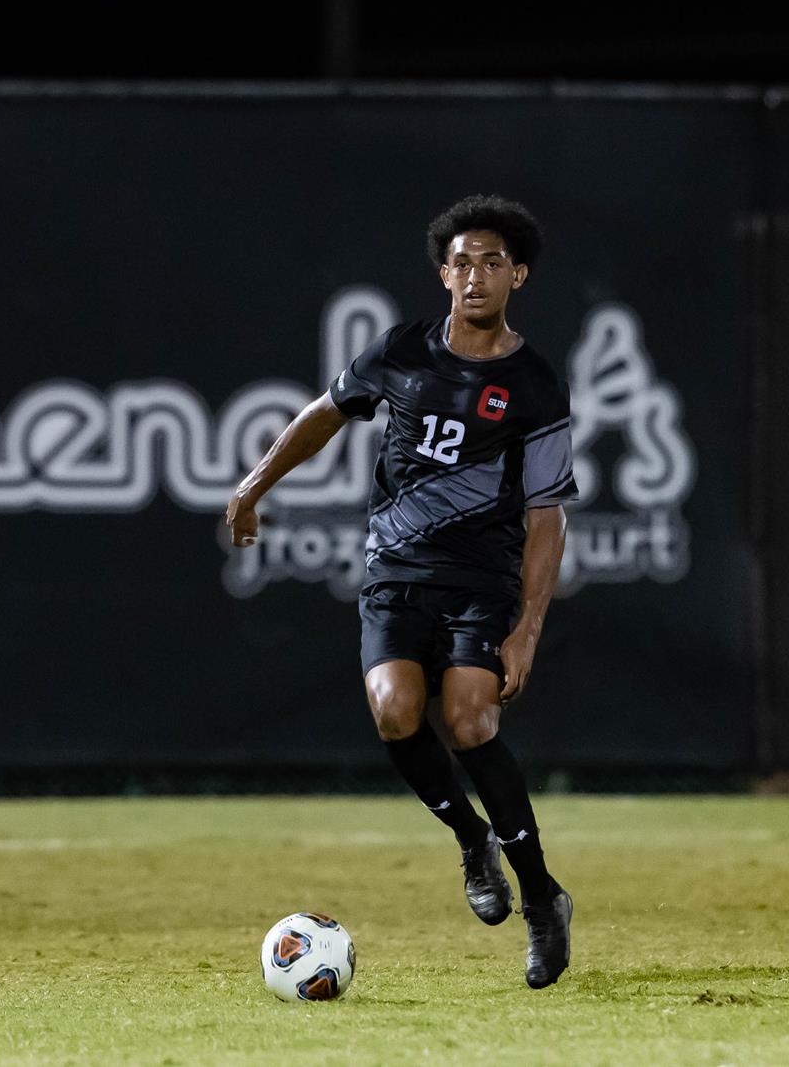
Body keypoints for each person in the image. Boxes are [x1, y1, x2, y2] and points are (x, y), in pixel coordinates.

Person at [225, 194, 578, 988]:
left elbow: (549, 516)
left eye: (493, 261)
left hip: (482, 583)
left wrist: (525, 631)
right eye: (461, 261)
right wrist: (254, 485)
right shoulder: (402, 352)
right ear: (442, 272)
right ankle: (470, 840)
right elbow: (324, 414)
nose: (475, 274)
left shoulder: (533, 383)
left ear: (517, 274)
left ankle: (544, 898)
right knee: (394, 711)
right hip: (396, 573)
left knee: (471, 719)